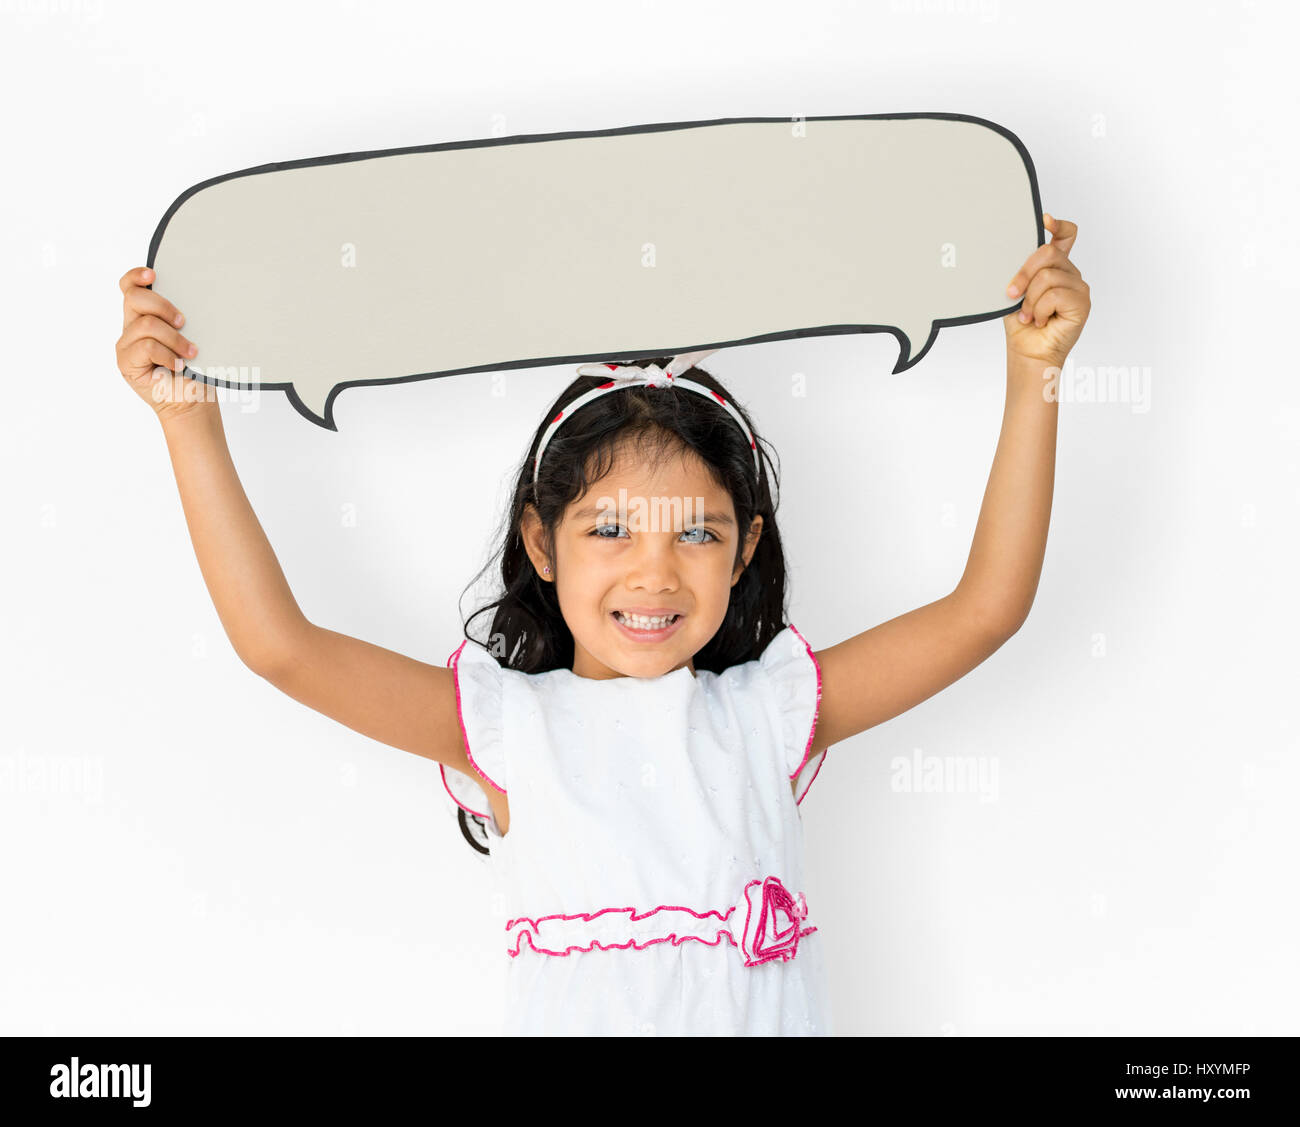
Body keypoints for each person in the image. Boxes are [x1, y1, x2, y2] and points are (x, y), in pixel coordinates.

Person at [114, 213, 1091, 1035]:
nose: (652, 570)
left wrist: (1033, 371)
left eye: (697, 533)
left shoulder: (766, 714)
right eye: (610, 528)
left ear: (745, 548)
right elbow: (277, 645)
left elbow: (984, 609)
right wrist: (187, 419)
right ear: (542, 543)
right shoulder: (506, 727)